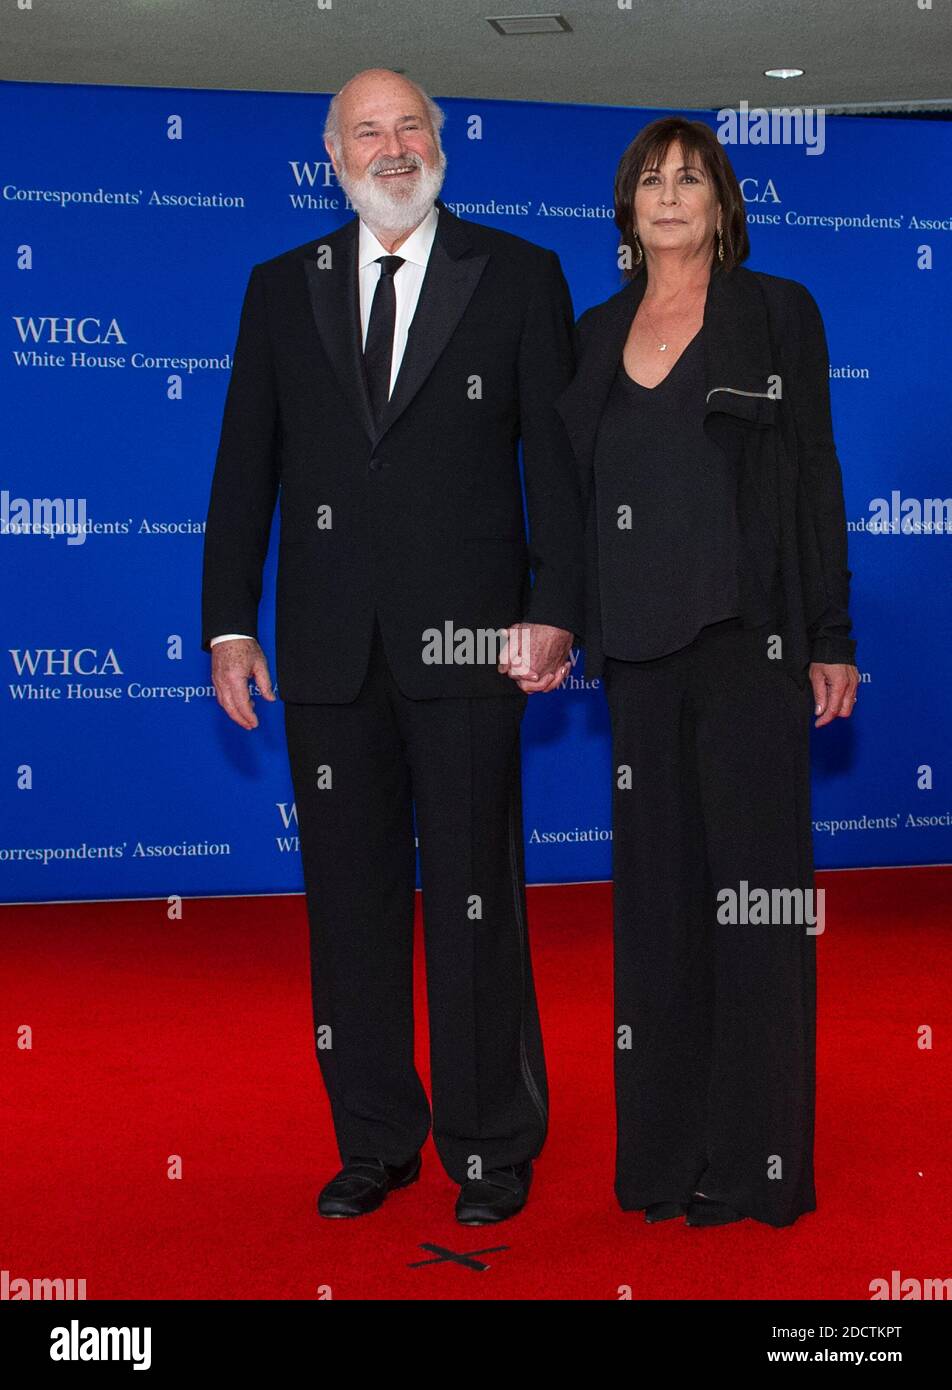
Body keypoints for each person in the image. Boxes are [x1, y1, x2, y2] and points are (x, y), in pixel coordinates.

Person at [201, 69, 583, 1224]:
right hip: (325, 656)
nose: (391, 145)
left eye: (409, 124)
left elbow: (557, 472)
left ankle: (489, 1143)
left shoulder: (520, 276)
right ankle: (373, 1137)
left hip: (474, 648)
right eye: (366, 130)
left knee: (478, 900)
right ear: (332, 156)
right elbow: (242, 469)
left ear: (441, 142)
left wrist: (557, 604)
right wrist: (228, 621)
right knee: (347, 908)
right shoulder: (280, 289)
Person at [553, 116, 859, 1228]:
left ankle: (757, 1164)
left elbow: (814, 475)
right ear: (626, 209)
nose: (669, 194)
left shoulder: (778, 314)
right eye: (650, 179)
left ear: (723, 206)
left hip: (753, 649)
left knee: (757, 911)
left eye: (690, 179)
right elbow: (566, 504)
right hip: (636, 660)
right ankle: (663, 1160)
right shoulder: (589, 339)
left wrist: (829, 631)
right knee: (660, 913)